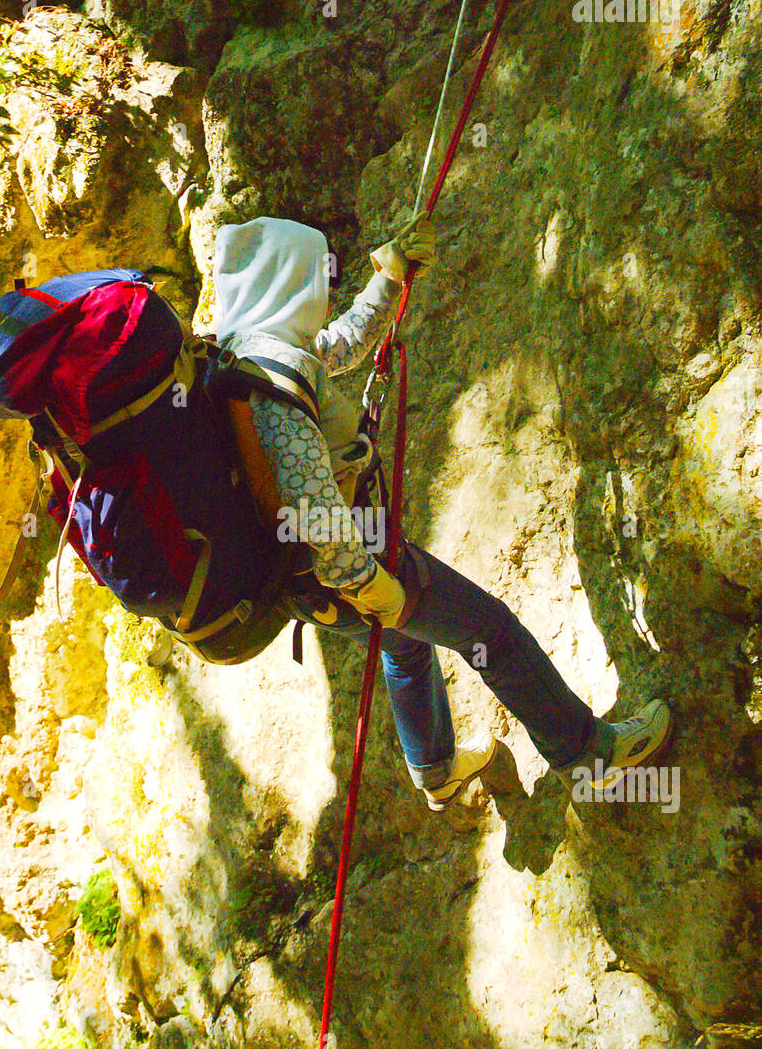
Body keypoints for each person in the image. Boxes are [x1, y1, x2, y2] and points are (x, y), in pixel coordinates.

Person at [211, 214, 673, 810]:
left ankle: (437, 771)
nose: (320, 290)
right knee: (490, 632)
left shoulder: (242, 356)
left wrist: (389, 275)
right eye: (311, 275)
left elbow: (340, 345)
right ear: (286, 280)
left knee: (404, 643)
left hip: (294, 584)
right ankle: (590, 757)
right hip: (348, 566)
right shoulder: (278, 381)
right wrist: (369, 583)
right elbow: (314, 509)